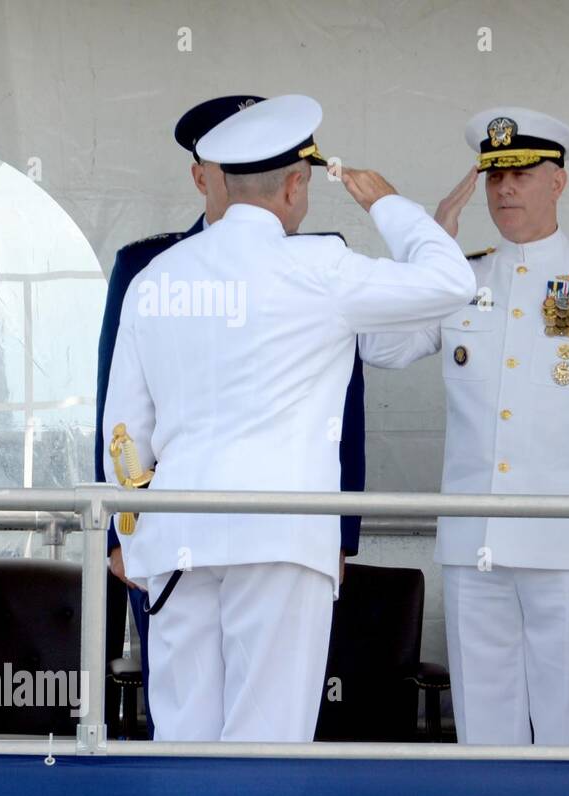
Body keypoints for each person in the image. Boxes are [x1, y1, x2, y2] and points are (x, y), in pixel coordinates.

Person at [102, 94, 475, 741]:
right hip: (278, 538)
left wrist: (135, 538)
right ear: (297, 184)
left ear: (220, 177)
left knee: (182, 739)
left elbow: (124, 432)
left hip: (176, 543)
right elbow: (451, 283)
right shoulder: (320, 268)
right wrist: (392, 206)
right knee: (265, 740)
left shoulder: (155, 277)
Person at [358, 107, 569, 745]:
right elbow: (376, 347)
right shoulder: (458, 279)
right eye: (494, 175)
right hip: (476, 541)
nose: (505, 190)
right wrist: (426, 251)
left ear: (558, 182)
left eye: (522, 174)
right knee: (483, 723)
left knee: (565, 721)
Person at [94, 95, 370, 738]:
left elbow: (345, 408)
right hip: (176, 535)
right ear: (202, 176)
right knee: (209, 721)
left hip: (272, 529)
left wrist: (340, 529)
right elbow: (120, 421)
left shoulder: (315, 261)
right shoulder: (147, 265)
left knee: (234, 725)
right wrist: (123, 532)